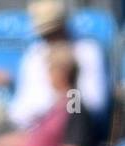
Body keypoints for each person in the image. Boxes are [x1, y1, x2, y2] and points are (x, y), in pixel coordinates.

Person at [8, 0, 107, 130]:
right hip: (34, 131)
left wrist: (59, 105)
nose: (49, 38)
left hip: (70, 134)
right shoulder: (33, 55)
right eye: (45, 34)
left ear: (63, 26)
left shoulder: (87, 52)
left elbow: (93, 104)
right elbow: (19, 109)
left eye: (54, 31)